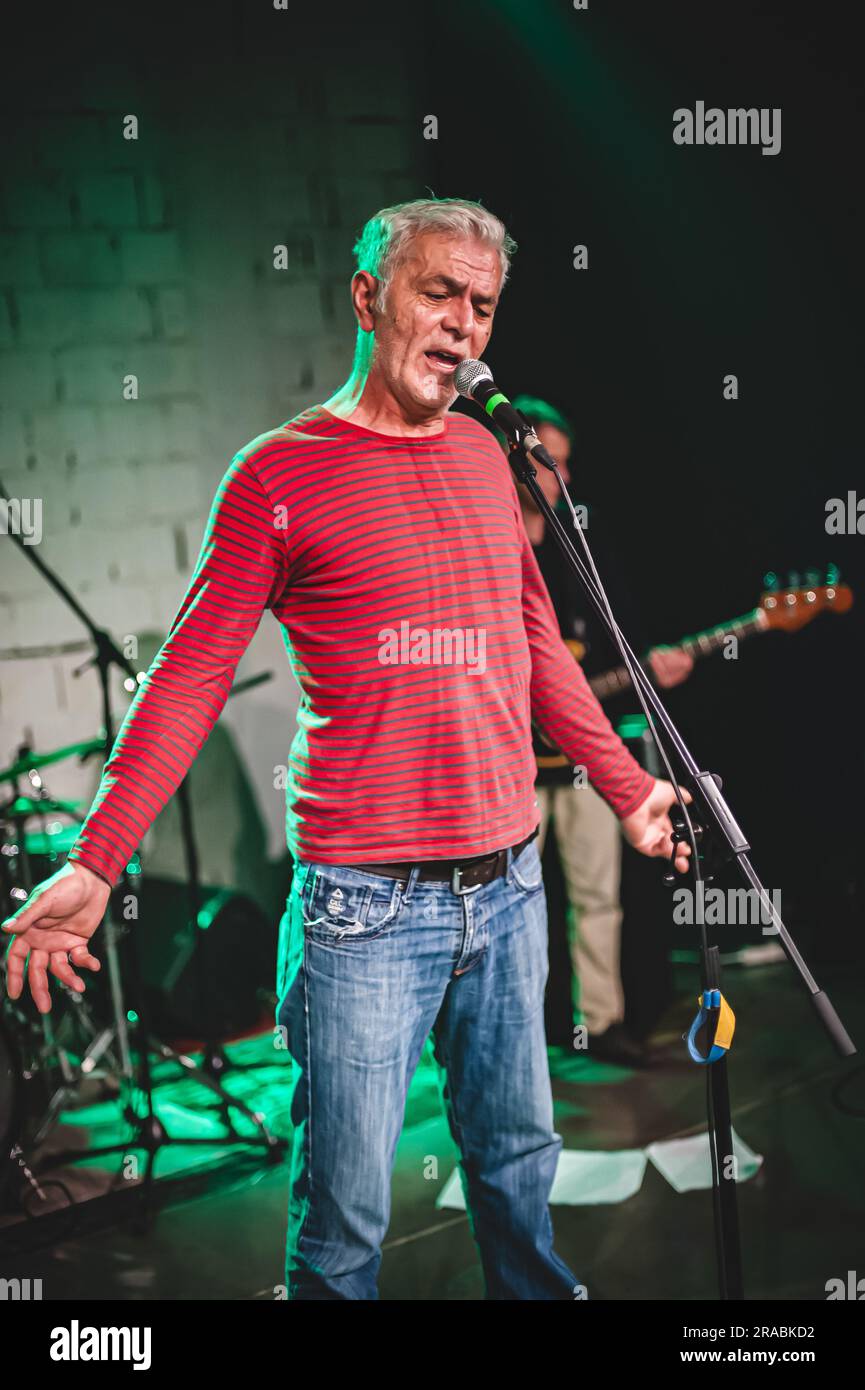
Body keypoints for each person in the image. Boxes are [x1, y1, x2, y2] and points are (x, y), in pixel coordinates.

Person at [2, 198, 690, 1300]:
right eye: (437, 293)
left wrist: (626, 786)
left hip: (508, 887)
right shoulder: (278, 473)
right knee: (342, 1234)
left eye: (482, 304)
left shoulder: (482, 456)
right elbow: (187, 672)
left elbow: (531, 644)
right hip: (365, 912)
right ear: (367, 298)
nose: (463, 324)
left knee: (520, 1171)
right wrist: (96, 859)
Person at [508, 397, 694, 1065]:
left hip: (582, 763)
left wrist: (651, 670)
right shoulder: (488, 545)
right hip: (510, 766)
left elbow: (604, 658)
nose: (548, 473)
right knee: (511, 911)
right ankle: (519, 1034)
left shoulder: (576, 550)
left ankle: (602, 1021)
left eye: (557, 462)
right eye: (536, 458)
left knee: (597, 898)